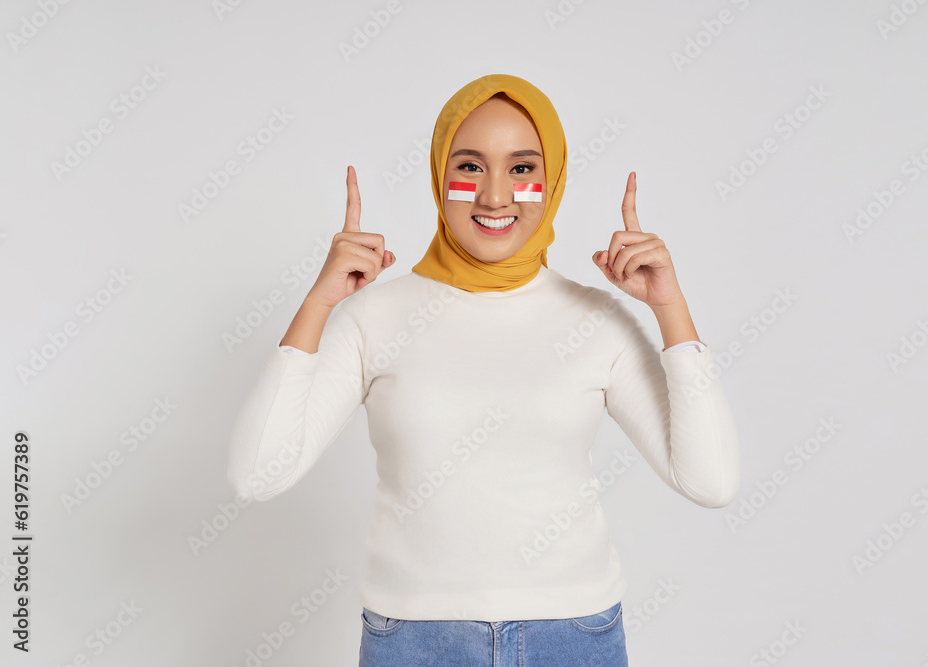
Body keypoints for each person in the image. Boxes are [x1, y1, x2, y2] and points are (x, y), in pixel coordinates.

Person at [226, 73, 741, 666]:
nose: (495, 196)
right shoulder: (374, 317)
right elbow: (256, 475)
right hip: (415, 642)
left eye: (522, 168)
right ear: (438, 175)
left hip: (571, 639)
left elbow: (711, 482)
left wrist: (669, 307)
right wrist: (319, 303)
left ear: (554, 180)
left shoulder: (597, 321)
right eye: (470, 166)